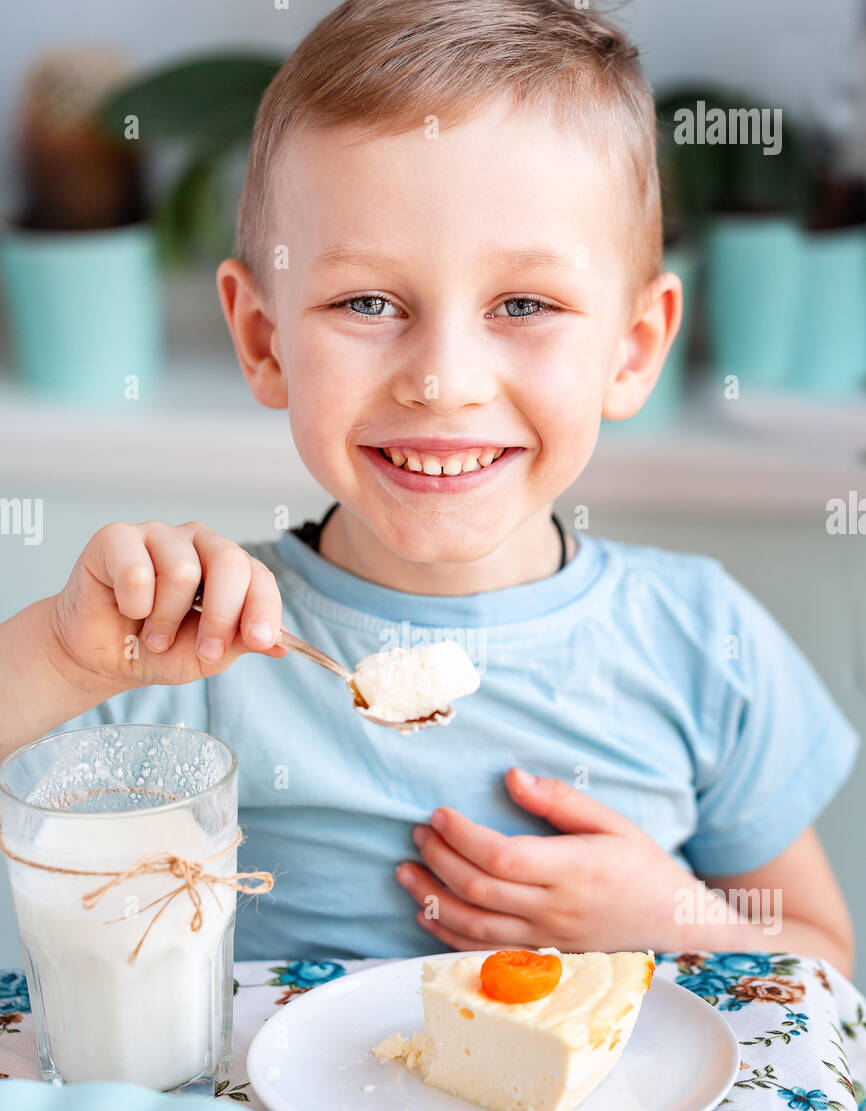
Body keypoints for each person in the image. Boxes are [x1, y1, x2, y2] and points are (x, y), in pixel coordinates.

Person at [0, 0, 858, 970]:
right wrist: (66, 659)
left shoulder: (706, 641)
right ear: (262, 339)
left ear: (631, 349)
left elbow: (820, 957)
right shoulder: (190, 640)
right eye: (367, 302)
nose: (442, 380)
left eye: (522, 304)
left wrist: (671, 920)